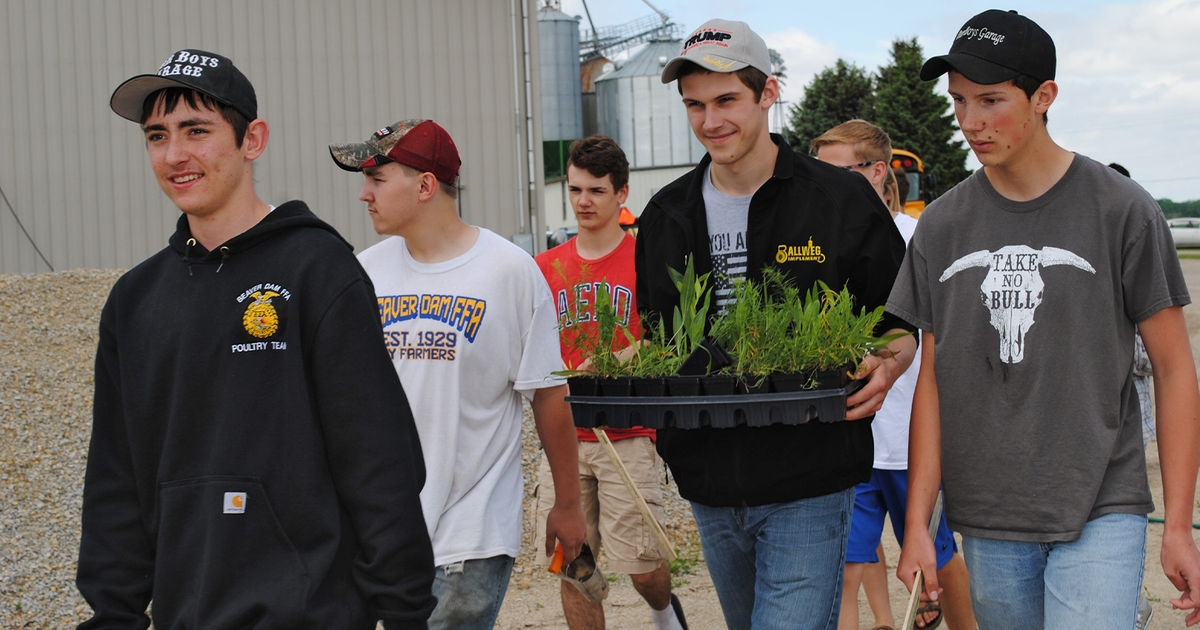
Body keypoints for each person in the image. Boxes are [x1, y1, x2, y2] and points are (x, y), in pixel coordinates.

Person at [78, 50, 435, 629]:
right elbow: (116, 479)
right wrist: (112, 614)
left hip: (311, 612)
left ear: (253, 139)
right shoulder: (136, 300)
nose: (175, 155)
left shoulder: (319, 270)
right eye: (157, 135)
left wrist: (404, 613)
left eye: (197, 130)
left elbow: (377, 462)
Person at [889, 10, 1200, 629]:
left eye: (991, 100)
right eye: (958, 101)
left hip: (1101, 501)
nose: (970, 122)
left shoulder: (1122, 210)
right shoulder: (943, 227)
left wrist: (1180, 523)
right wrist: (919, 525)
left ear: (1044, 96)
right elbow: (932, 377)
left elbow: (1172, 368)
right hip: (988, 512)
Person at [638, 19, 918, 630]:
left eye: (726, 100)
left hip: (809, 473)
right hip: (710, 480)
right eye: (695, 105)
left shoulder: (840, 200)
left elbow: (900, 317)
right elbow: (659, 342)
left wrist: (891, 362)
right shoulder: (667, 214)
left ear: (768, 93)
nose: (710, 121)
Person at [329, 119, 587, 630]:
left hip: (472, 527)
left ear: (425, 185)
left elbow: (548, 396)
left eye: (378, 179)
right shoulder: (365, 271)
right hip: (381, 527)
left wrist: (568, 503)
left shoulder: (508, 271)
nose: (364, 194)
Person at [812, 121, 975, 630]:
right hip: (850, 437)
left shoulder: (921, 240)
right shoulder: (819, 247)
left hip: (909, 441)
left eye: (834, 172)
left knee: (937, 560)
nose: (822, 184)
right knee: (846, 564)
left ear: (877, 172)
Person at [533, 135, 687, 630]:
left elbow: (672, 339)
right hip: (564, 438)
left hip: (629, 433)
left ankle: (665, 613)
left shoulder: (647, 260)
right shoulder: (543, 267)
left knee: (642, 566)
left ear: (622, 194)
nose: (583, 201)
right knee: (573, 565)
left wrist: (616, 362)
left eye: (596, 191)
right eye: (576, 189)